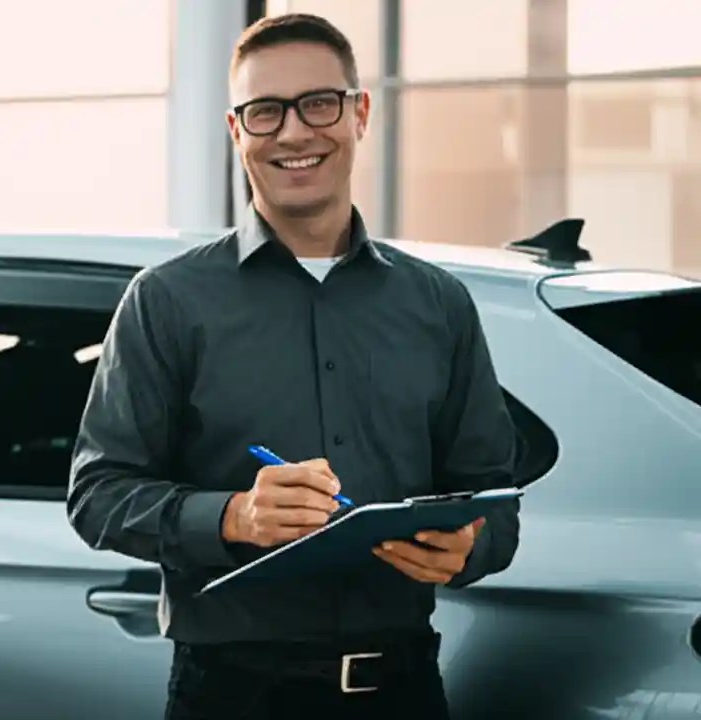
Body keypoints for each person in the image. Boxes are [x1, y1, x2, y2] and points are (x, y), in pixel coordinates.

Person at [67, 12, 521, 720]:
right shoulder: (166, 301)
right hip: (231, 695)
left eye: (318, 103)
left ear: (359, 112)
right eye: (264, 112)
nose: (293, 132)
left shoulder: (440, 304)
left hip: (402, 692)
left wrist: (470, 548)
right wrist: (232, 516)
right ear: (235, 130)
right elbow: (97, 494)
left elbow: (494, 496)